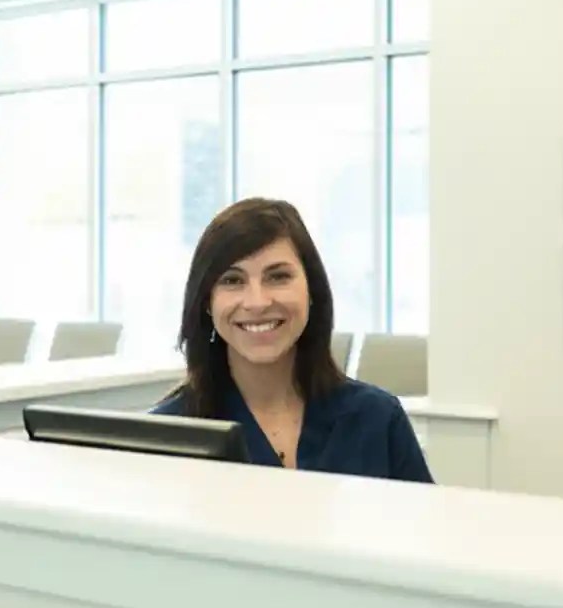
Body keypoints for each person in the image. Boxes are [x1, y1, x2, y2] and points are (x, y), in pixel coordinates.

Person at [152, 197, 433, 483]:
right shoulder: (166, 436)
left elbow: (424, 526)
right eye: (232, 281)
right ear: (206, 303)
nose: (257, 302)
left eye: (278, 277)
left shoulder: (377, 419)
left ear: (311, 291)